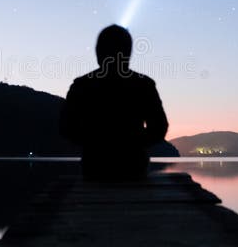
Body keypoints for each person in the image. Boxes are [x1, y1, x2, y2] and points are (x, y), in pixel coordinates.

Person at [60, 24, 168, 181]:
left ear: (99, 52)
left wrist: (94, 143)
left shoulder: (82, 85)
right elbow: (159, 127)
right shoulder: (143, 84)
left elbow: (66, 127)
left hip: (95, 168)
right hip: (134, 168)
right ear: (128, 53)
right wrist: (135, 145)